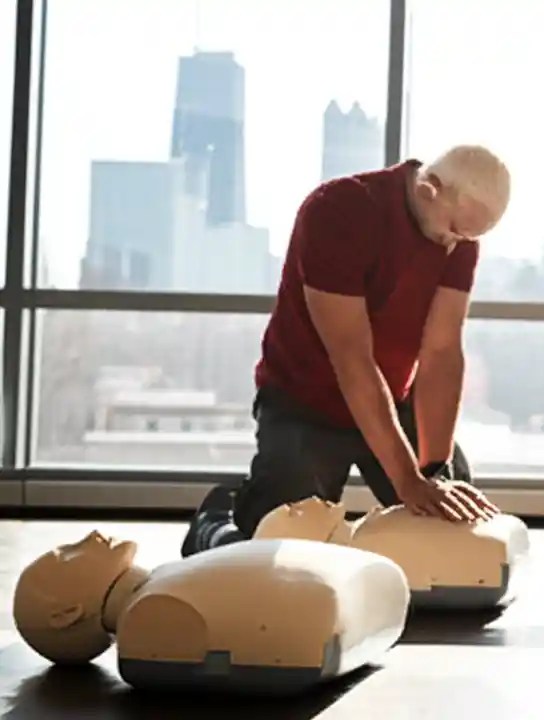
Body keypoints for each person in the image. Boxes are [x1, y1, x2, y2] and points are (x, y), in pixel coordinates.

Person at [181, 146, 509, 557]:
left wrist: (432, 470)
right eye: (453, 230)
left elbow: (442, 350)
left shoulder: (458, 238)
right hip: (306, 401)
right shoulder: (338, 211)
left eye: (467, 237)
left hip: (392, 398)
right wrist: (406, 481)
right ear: (429, 190)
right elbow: (351, 356)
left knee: (453, 534)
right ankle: (216, 518)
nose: (453, 245)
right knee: (268, 553)